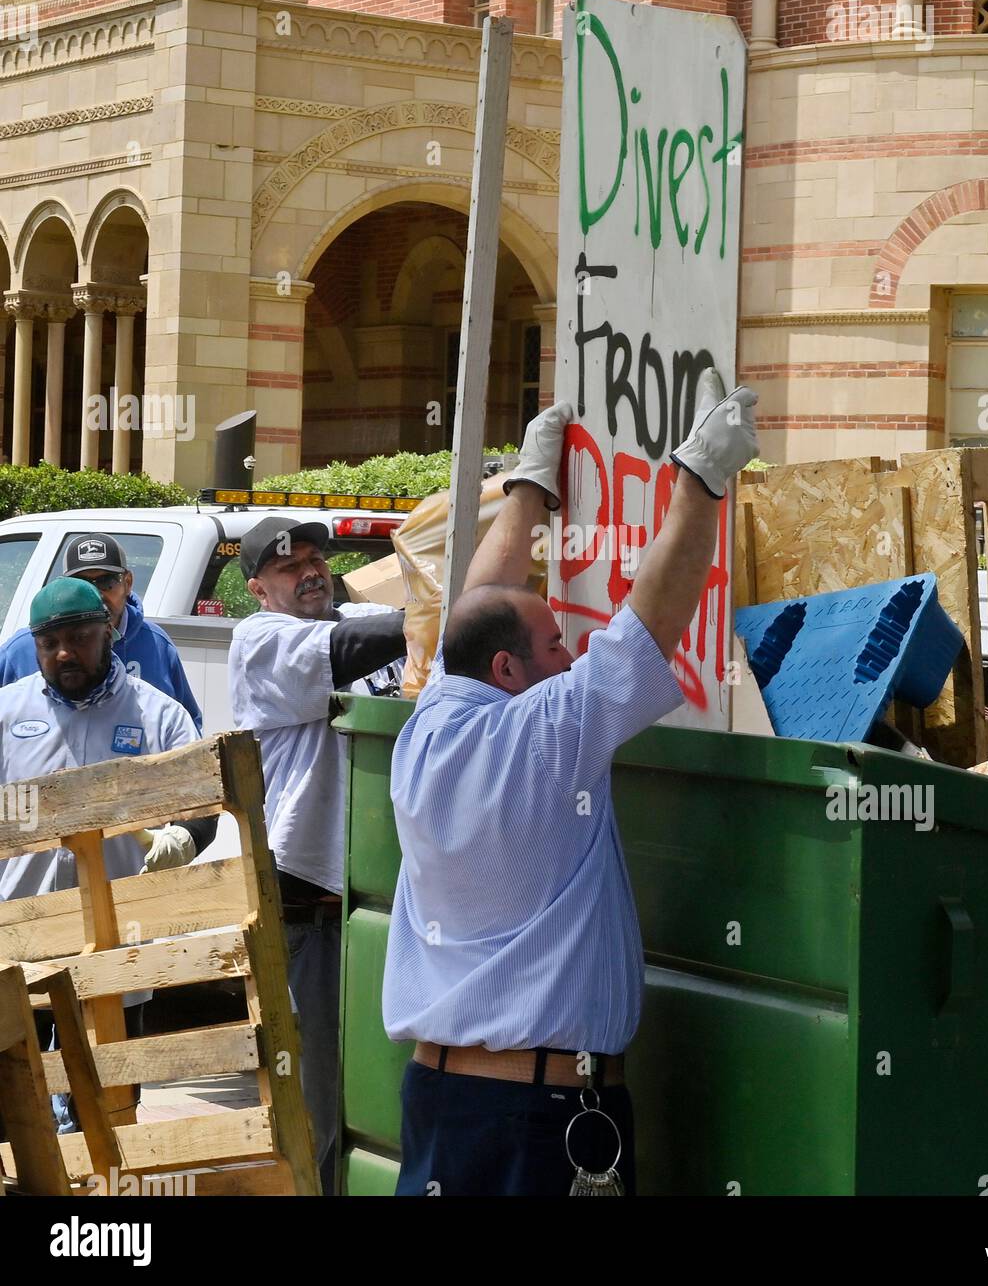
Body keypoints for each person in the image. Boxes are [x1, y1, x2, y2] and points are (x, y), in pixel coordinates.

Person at [382, 373, 760, 1197]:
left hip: (442, 1099)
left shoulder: (429, 724)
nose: (572, 650)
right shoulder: (544, 736)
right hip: (538, 1119)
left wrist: (526, 494)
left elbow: (478, 609)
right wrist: (699, 483)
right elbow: (649, 622)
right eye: (556, 644)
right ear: (511, 671)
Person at [229, 518, 407, 1194]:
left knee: (380, 1095)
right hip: (307, 907)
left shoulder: (361, 614)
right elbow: (353, 645)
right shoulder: (259, 639)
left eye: (315, 559)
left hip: (385, 899)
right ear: (258, 589)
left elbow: (388, 624)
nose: (309, 572)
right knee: (314, 1106)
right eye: (287, 567)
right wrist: (433, 613)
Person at [0, 578, 212, 1129]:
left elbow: (206, 796)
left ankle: (98, 1211)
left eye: (79, 638)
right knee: (19, 1114)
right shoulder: (7, 713)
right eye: (50, 644)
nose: (65, 653)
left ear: (108, 633)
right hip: (21, 945)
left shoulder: (157, 716)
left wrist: (185, 835)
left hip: (120, 946)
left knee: (106, 1113)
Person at [0, 534, 203, 731]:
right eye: (83, 583)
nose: (96, 593)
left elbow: (187, 725)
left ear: (127, 582)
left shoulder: (156, 644)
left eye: (107, 582)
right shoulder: (21, 648)